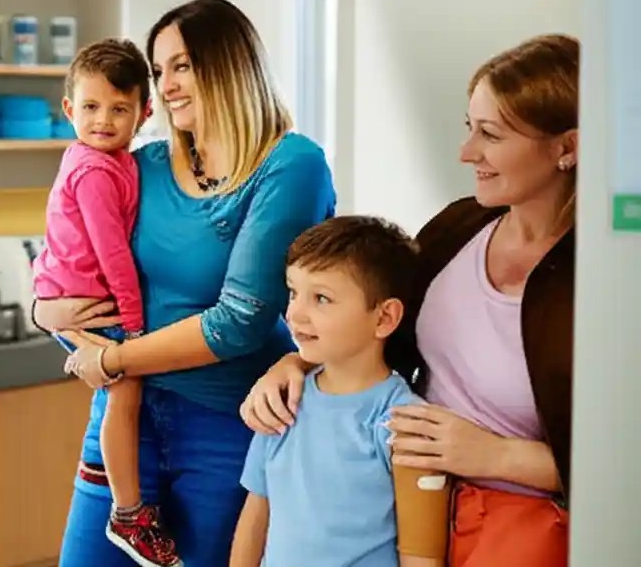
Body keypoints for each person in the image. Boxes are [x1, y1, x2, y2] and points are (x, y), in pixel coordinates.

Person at [240, 34, 578, 567]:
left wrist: (497, 455)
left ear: (567, 147)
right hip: (406, 496)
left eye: (490, 134)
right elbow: (374, 320)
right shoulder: (457, 227)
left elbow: (622, 464)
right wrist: (295, 362)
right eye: (471, 128)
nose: (468, 153)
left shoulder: (605, 287)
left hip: (515, 523)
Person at [33, 0, 337, 566]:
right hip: (124, 419)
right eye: (158, 69)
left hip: (225, 424)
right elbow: (71, 255)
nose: (166, 85)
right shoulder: (138, 164)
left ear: (230, 65)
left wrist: (116, 361)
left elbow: (239, 322)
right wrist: (44, 311)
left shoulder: (289, 165)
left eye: (182, 66)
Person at [30, 39, 176, 565]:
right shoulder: (94, 169)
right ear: (69, 109)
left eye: (119, 109)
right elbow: (113, 251)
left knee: (123, 390)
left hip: (67, 294)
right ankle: (128, 511)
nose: (103, 121)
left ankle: (128, 507)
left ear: (144, 112)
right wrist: (135, 328)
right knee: (126, 386)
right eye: (90, 108)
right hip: (85, 301)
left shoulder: (116, 163)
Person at [229, 215, 443, 567]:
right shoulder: (282, 402)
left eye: (322, 298)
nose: (295, 313)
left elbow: (422, 557)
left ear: (384, 318)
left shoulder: (407, 423)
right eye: (294, 292)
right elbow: (255, 517)